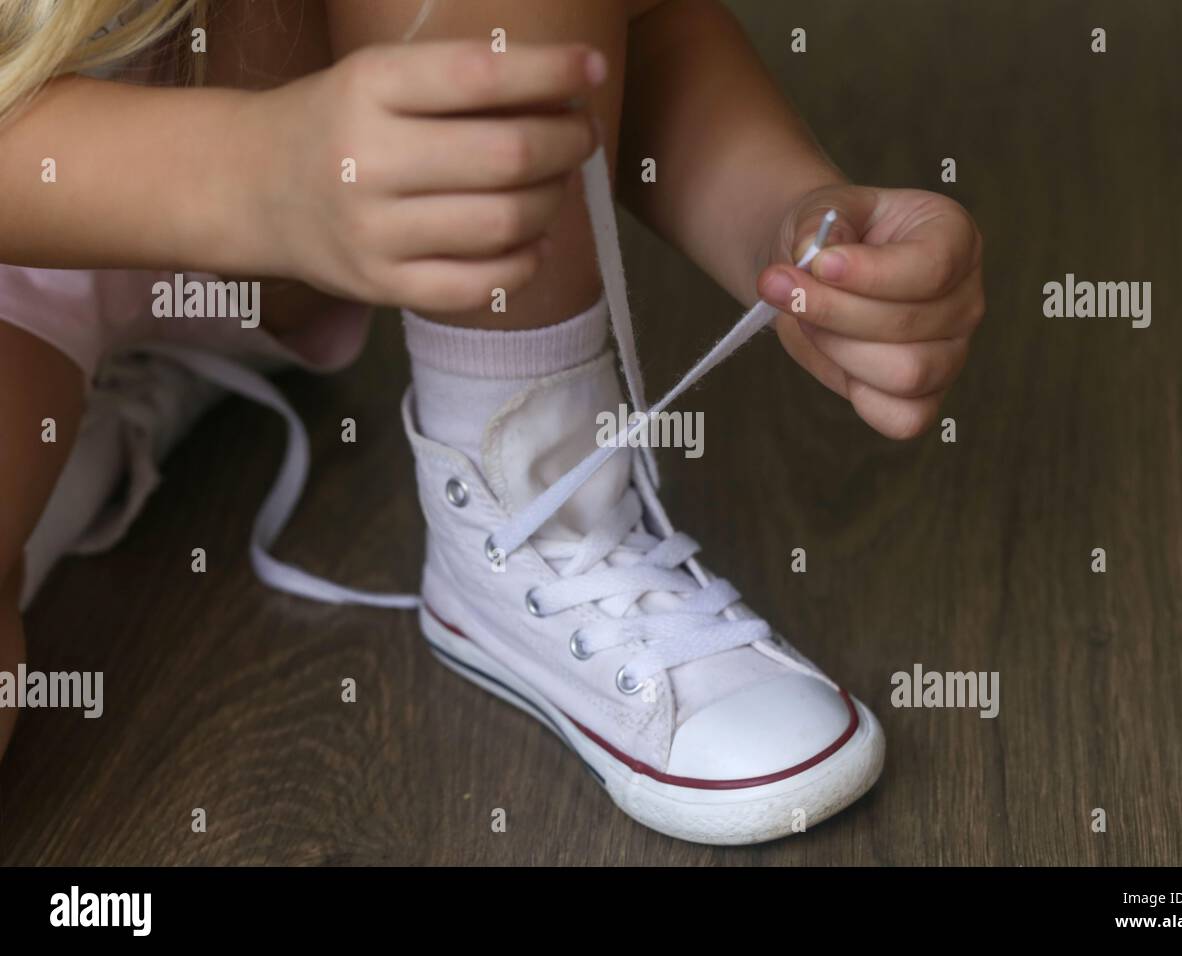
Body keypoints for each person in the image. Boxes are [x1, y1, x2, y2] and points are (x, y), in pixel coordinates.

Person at [0, 0, 984, 844]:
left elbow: (629, 29)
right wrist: (254, 174)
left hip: (275, 227)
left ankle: (534, 485)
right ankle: (105, 401)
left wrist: (785, 221)